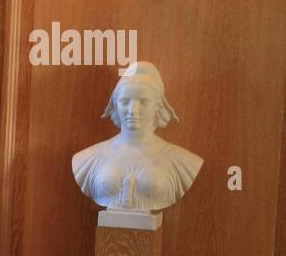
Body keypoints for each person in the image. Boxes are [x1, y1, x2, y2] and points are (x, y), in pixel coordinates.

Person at [71, 61, 203, 212]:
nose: (133, 110)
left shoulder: (182, 161)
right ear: (115, 104)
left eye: (143, 101)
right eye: (125, 101)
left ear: (157, 106)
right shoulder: (87, 159)